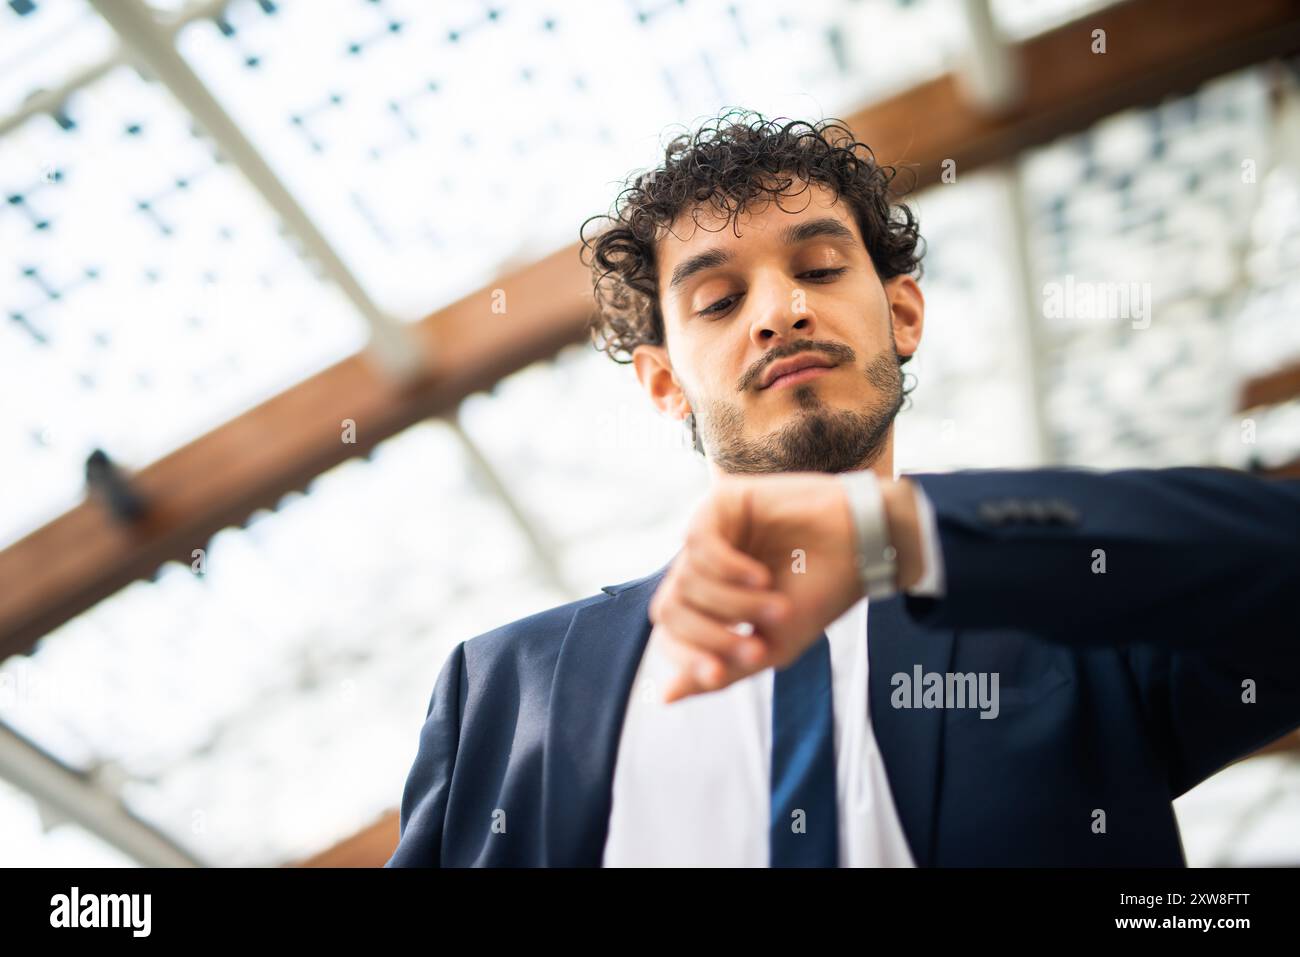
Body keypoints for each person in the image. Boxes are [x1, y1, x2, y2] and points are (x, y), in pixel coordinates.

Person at [386, 110, 1300, 867]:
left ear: (902, 315)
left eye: (820, 270)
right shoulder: (503, 692)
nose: (781, 311)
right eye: (716, 301)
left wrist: (900, 534)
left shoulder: (1062, 598)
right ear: (663, 382)